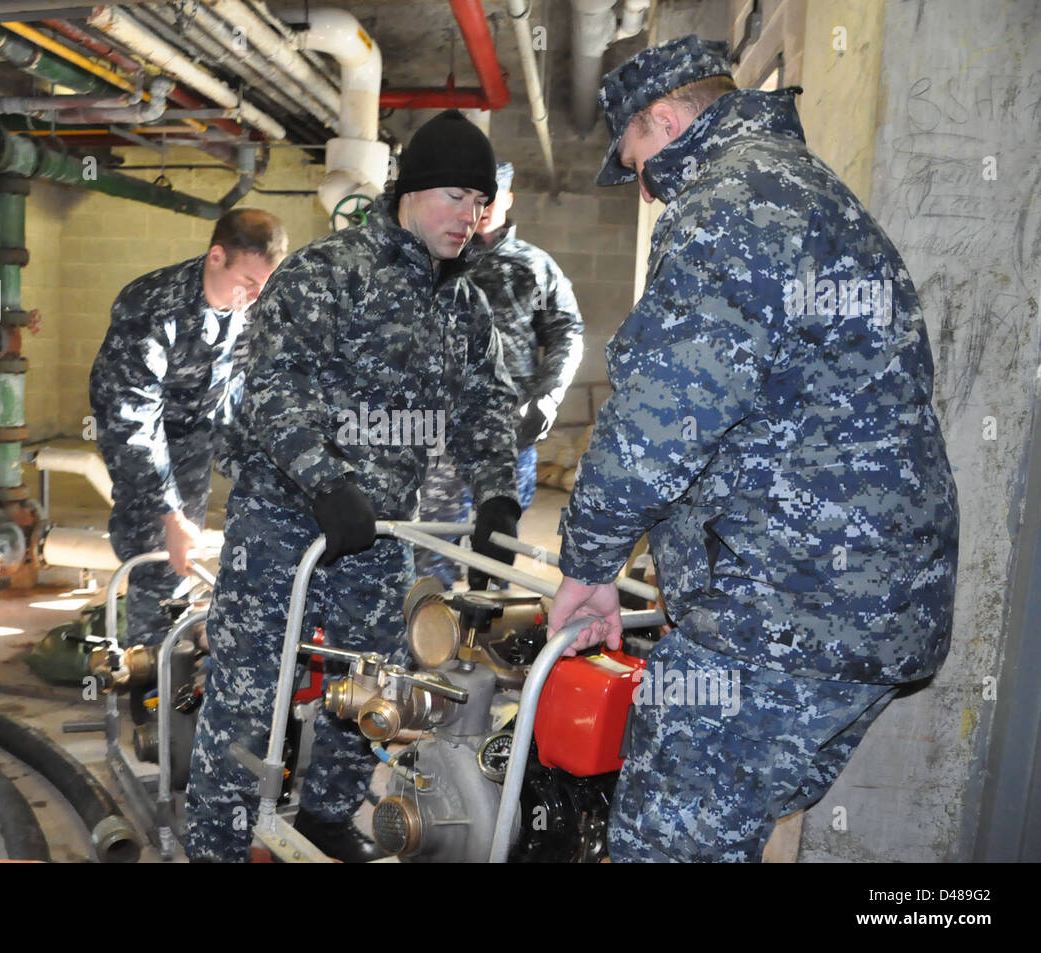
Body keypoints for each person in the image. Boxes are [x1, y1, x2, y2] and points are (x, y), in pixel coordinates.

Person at [547, 36, 959, 862]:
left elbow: (659, 421)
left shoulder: (729, 202)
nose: (647, 188)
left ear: (663, 121)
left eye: (637, 162)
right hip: (871, 610)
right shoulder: (808, 192)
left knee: (664, 841)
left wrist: (586, 566)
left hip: (785, 612)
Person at [184, 110, 522, 863]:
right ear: (411, 192)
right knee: (249, 692)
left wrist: (498, 497)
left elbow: (490, 411)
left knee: (373, 687)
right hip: (287, 523)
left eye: (480, 202)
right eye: (456, 196)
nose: (470, 217)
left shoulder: (465, 307)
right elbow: (272, 388)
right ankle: (215, 846)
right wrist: (325, 480)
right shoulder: (327, 272)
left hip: (381, 535)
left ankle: (325, 818)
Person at [89, 209, 286, 649]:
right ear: (216, 257)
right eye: (250, 282)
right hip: (143, 435)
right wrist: (170, 514)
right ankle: (150, 679)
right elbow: (132, 420)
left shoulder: (252, 304)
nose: (256, 296)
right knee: (159, 554)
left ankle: (196, 648)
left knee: (214, 544)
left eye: (264, 285)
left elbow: (247, 385)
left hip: (204, 428)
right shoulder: (152, 307)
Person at [415, 160, 584, 588]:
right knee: (432, 545)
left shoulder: (533, 269)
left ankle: (482, 639)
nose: (483, 207)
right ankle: (428, 639)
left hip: (509, 431)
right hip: (439, 433)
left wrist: (549, 396)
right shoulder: (437, 260)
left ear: (508, 199)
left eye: (493, 197)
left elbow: (566, 332)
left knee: (495, 548)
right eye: (475, 196)